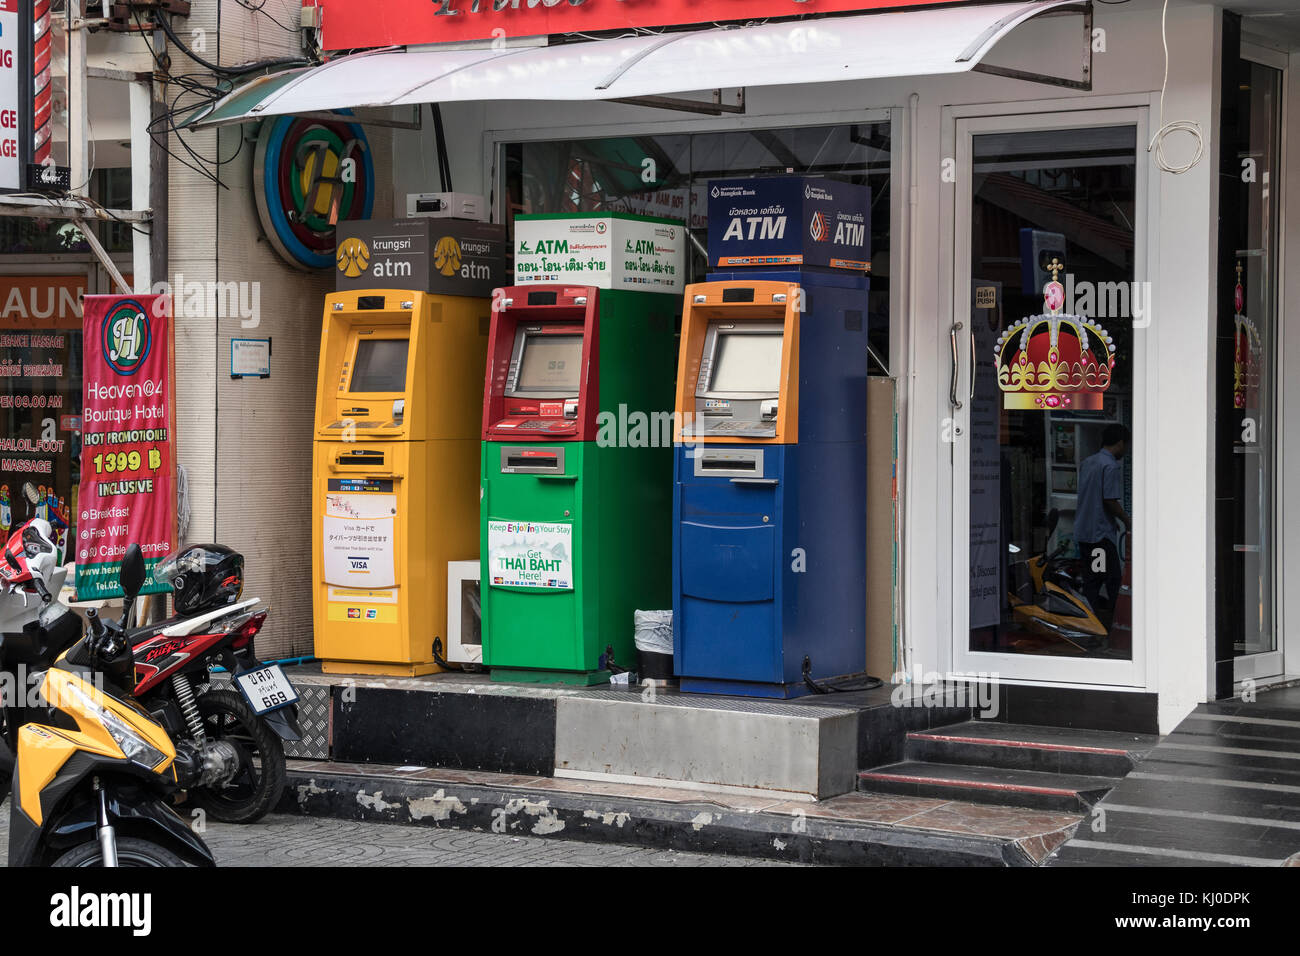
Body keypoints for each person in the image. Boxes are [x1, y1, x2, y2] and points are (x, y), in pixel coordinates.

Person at [1075, 424, 1131, 635]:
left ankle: (1090, 624)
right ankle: (1106, 627)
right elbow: (1109, 499)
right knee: (1110, 580)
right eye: (1126, 446)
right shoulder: (1110, 466)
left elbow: (1093, 498)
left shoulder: (1088, 462)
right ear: (1120, 443)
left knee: (1092, 579)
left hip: (1085, 531)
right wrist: (1126, 520)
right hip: (1099, 536)